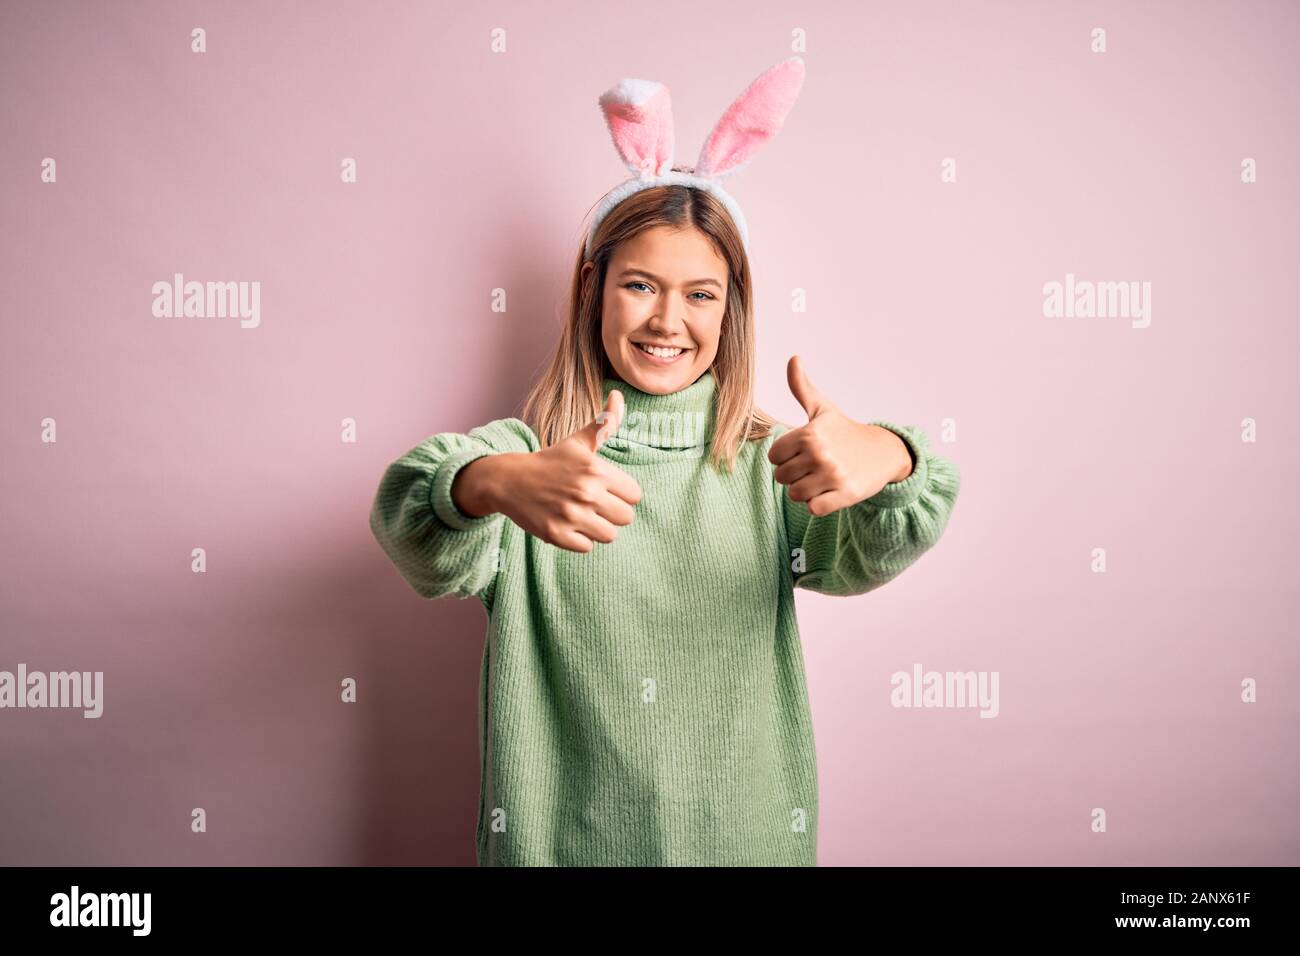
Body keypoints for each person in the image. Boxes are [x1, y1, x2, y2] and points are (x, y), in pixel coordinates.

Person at [369, 56, 961, 866]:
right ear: (591, 290)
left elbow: (874, 547)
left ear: (733, 307)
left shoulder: (770, 466)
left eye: (702, 293)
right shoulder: (536, 464)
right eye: (641, 286)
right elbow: (408, 513)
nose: (668, 320)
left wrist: (892, 458)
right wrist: (493, 484)